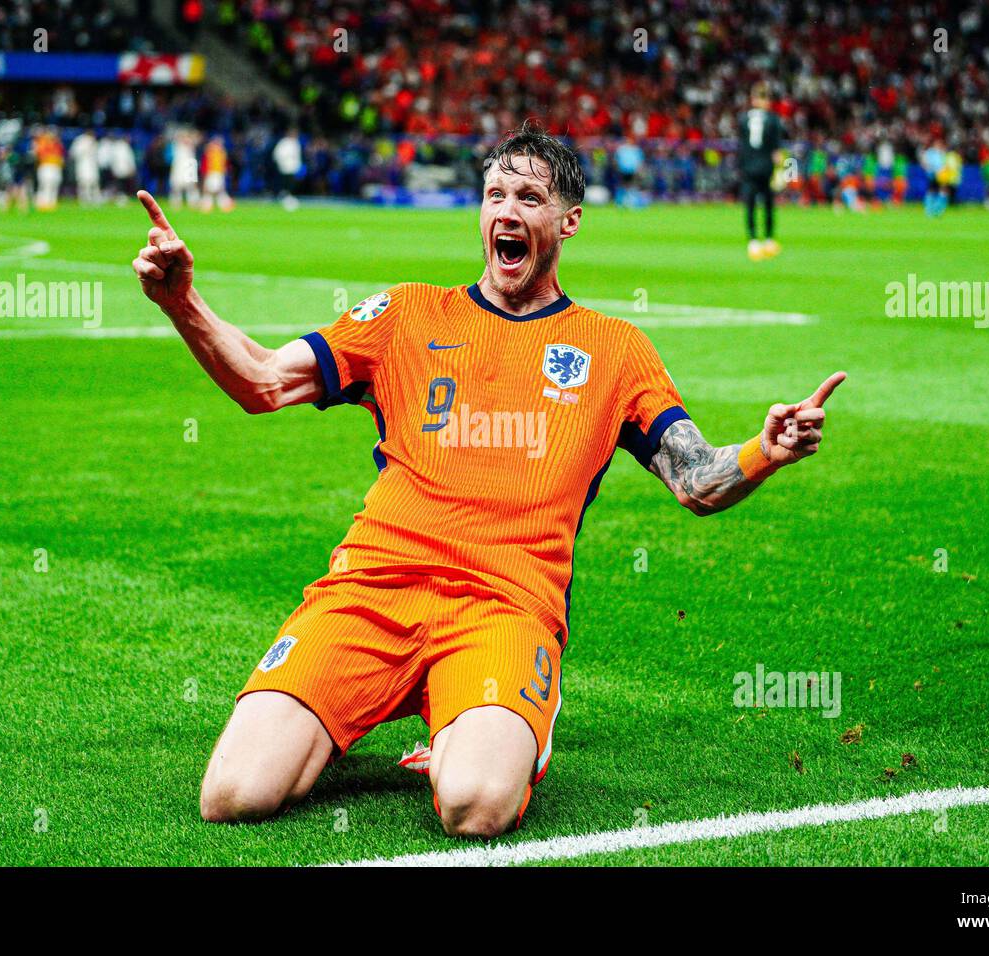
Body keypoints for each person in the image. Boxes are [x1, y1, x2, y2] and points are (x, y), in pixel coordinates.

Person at [131, 121, 845, 837]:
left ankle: (494, 723)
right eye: (494, 193)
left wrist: (763, 450)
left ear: (567, 222)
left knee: (473, 805)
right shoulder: (406, 314)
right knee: (233, 794)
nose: (507, 211)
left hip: (503, 607)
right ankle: (376, 711)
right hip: (372, 591)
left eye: (529, 198)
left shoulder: (615, 350)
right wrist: (181, 303)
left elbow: (697, 481)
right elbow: (261, 380)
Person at [737, 82, 784, 260]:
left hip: (748, 166)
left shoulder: (743, 118)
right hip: (766, 167)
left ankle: (753, 241)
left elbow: (741, 145)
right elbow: (777, 153)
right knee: (768, 204)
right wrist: (781, 173)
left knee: (749, 204)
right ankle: (769, 240)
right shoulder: (773, 119)